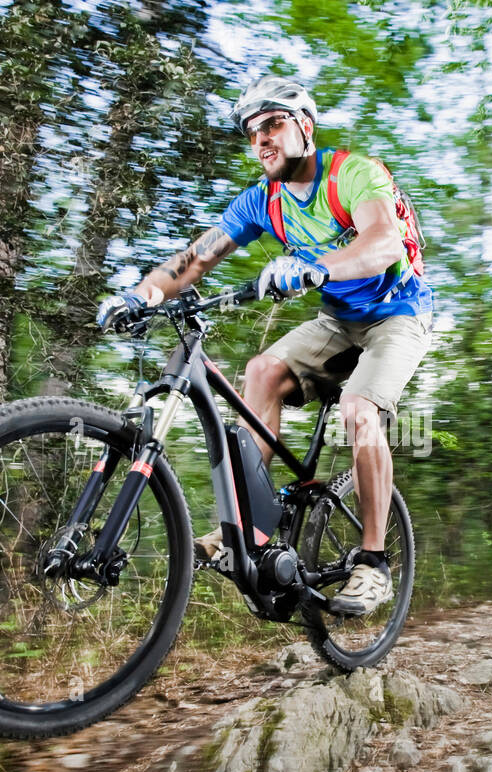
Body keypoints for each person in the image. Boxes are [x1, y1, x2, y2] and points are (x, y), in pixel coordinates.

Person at [96, 76, 434, 616]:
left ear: (304, 126)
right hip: (339, 319)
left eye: (273, 124)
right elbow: (196, 259)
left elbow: (382, 242)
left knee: (358, 409)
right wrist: (140, 295)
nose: (262, 140)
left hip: (400, 314)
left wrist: (315, 267)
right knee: (260, 371)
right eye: (252, 133)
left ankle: (373, 564)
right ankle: (252, 524)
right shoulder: (261, 201)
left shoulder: (352, 174)